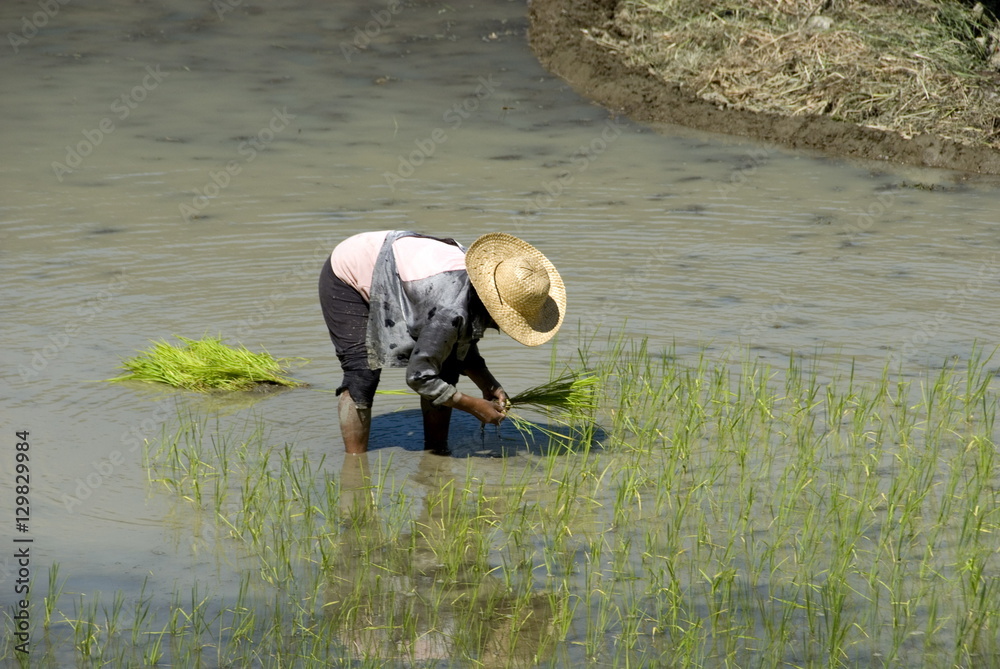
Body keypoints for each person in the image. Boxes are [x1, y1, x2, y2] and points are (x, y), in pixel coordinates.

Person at [318, 230, 566, 454]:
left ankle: (436, 452)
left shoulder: (477, 290)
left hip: (408, 270)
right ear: (493, 308)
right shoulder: (450, 309)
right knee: (362, 372)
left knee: (446, 368)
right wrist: (472, 406)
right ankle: (354, 465)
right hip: (351, 271)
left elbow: (458, 343)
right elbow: (419, 376)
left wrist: (489, 384)